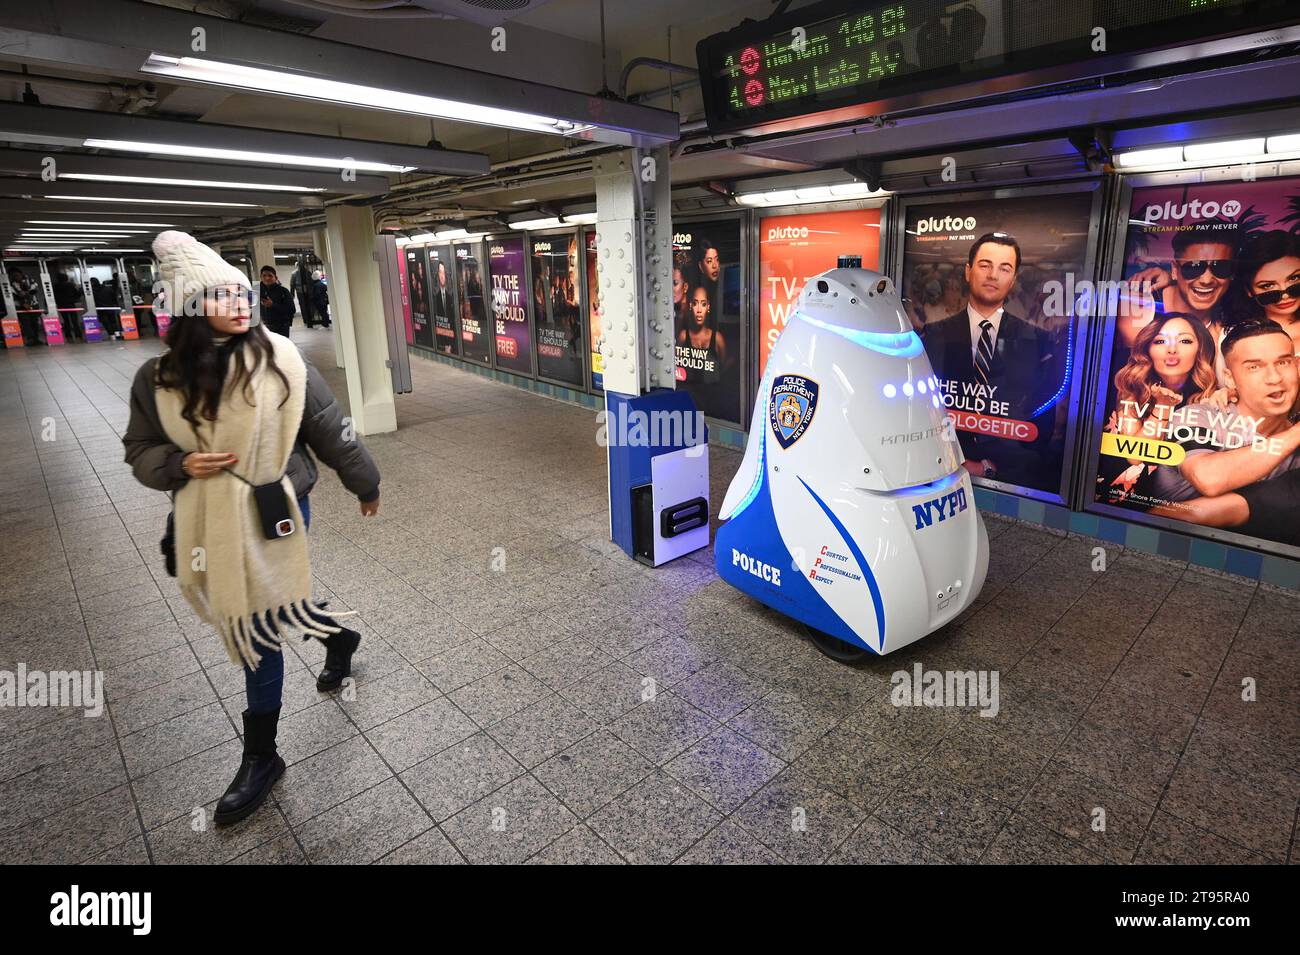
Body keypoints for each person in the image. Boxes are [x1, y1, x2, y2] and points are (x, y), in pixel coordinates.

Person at [123, 231, 381, 827]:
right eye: (221, 295)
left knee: (256, 622)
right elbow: (140, 449)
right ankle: (337, 637)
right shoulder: (158, 381)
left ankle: (261, 756)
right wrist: (180, 465)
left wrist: (366, 483)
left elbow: (330, 426)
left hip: (277, 504)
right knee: (274, 601)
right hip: (206, 516)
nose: (241, 303)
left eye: (242, 292)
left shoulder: (283, 359)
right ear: (190, 306)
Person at [1146, 319, 1300, 544]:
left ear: (1297, 366)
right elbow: (1209, 477)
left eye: (1283, 362)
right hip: (1164, 545)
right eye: (1254, 366)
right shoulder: (1198, 415)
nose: (1274, 378)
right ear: (1229, 377)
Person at [922, 232, 1054, 485]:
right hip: (944, 467)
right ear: (968, 271)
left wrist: (1001, 466)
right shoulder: (935, 335)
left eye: (1004, 269)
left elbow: (1042, 417)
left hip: (1014, 472)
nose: (993, 275)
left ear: (1013, 280)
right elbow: (921, 407)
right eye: (985, 265)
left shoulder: (1037, 340)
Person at [1103, 313, 1219, 501]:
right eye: (1160, 341)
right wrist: (1162, 407)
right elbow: (1134, 456)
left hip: (1170, 504)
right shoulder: (1132, 388)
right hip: (1119, 496)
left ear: (1200, 350)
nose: (1172, 349)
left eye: (1185, 341)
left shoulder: (1205, 397)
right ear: (1148, 349)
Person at [1229, 230, 1300, 357]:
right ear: (1248, 290)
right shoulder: (1234, 336)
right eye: (1268, 286)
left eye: (1294, 278)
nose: (1285, 295)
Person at [676, 285, 728, 384]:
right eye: (695, 303)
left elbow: (724, 369)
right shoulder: (683, 336)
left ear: (708, 307)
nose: (699, 310)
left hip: (713, 393)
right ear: (691, 306)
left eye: (703, 304)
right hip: (689, 392)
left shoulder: (717, 338)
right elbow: (677, 366)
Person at [258, 265, 295, 337]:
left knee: (281, 347)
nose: (267, 278)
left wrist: (273, 305)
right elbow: (250, 309)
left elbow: (291, 309)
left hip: (281, 327)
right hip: (263, 328)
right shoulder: (254, 290)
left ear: (276, 278)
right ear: (261, 277)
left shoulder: (283, 291)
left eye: (270, 275)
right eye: (264, 275)